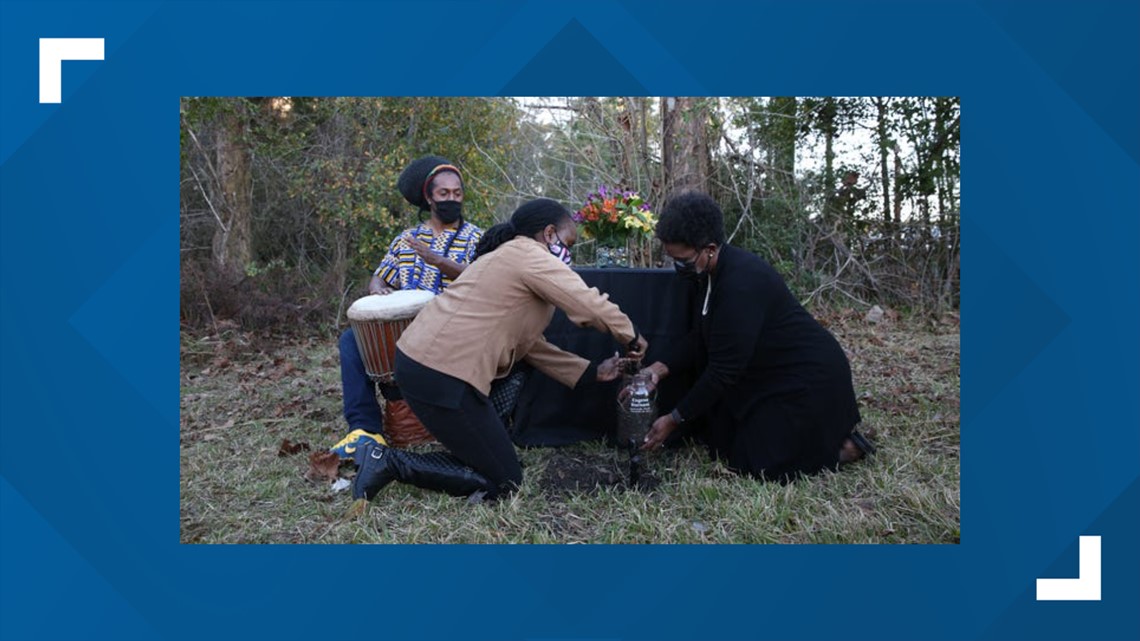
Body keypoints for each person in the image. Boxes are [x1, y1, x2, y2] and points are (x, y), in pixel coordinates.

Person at [352, 198, 649, 501]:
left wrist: (590, 372)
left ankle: (442, 456)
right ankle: (387, 462)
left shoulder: (507, 257)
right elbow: (588, 303)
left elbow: (529, 345)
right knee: (505, 481)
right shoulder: (530, 256)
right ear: (548, 234)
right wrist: (631, 335)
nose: (568, 253)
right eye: (567, 242)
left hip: (424, 366)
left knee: (496, 465)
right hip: (443, 373)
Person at [637, 191, 874, 482]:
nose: (678, 267)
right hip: (767, 376)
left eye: (683, 260)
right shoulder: (709, 274)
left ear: (709, 248)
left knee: (757, 465)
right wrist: (657, 370)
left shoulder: (740, 284)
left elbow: (724, 370)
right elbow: (701, 336)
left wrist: (674, 419)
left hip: (806, 380)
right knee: (720, 442)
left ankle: (842, 448)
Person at [331, 156, 484, 460]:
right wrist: (378, 290)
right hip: (406, 329)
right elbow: (381, 274)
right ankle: (365, 430)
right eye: (444, 194)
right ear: (429, 197)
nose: (452, 199)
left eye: (457, 193)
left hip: (451, 327)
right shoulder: (407, 239)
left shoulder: (476, 238)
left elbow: (483, 278)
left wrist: (438, 260)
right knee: (351, 340)